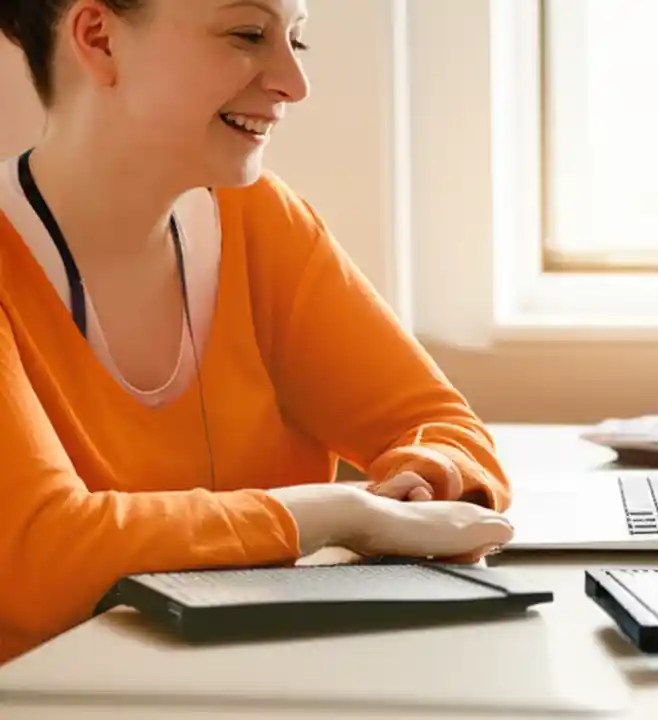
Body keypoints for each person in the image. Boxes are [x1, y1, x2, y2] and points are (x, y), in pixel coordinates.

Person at [0, 0, 514, 665]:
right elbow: (41, 557)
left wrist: (424, 480)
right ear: (98, 39)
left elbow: (440, 426)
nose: (294, 83)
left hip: (282, 690)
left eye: (297, 40)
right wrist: (340, 515)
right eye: (248, 34)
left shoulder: (261, 222)